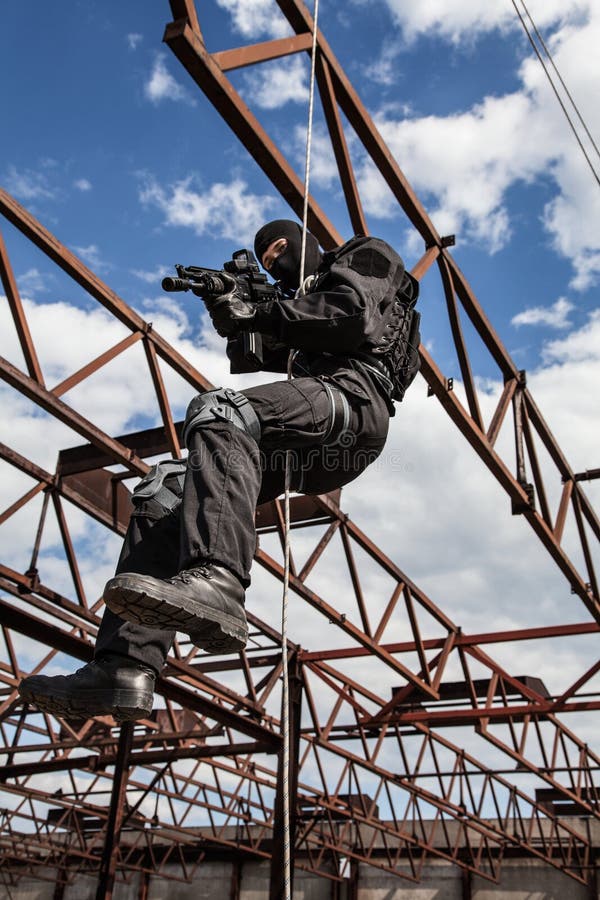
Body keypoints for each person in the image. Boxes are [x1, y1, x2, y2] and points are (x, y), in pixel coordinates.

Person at [18, 220, 420, 721]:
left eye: (279, 250)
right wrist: (230, 306)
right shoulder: (295, 306)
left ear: (307, 245)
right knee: (165, 491)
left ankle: (220, 581)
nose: (274, 261)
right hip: (306, 437)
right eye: (266, 260)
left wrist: (262, 308)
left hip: (354, 403)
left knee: (221, 411)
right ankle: (124, 669)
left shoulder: (364, 256)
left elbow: (351, 315)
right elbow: (250, 349)